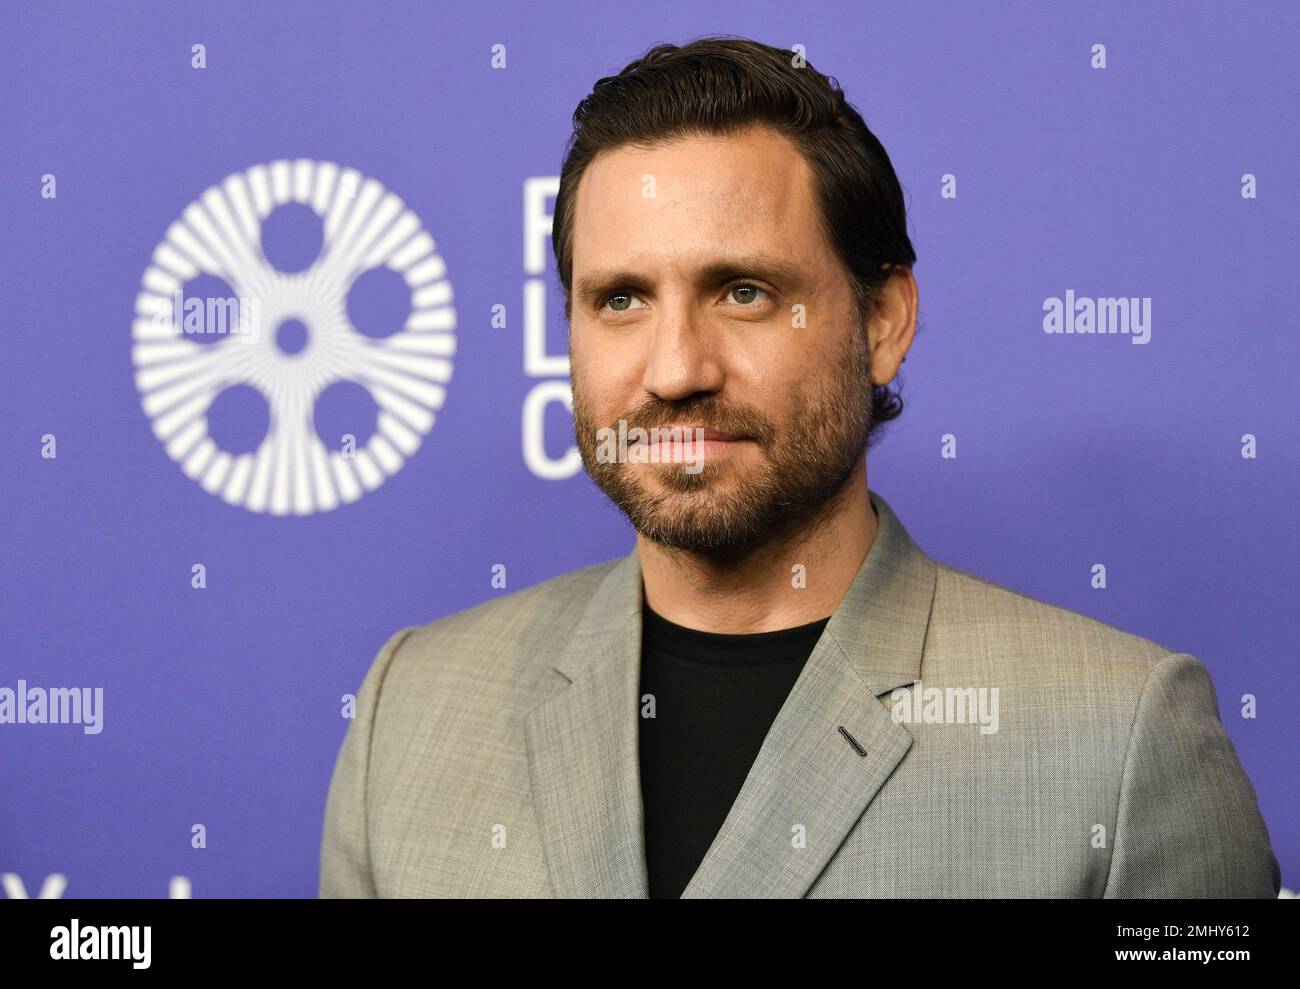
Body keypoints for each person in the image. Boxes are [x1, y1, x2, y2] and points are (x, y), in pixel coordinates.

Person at [320, 36, 1279, 898]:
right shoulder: (412, 711)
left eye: (743, 292)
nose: (675, 370)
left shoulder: (1118, 740)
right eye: (619, 299)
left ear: (883, 321)